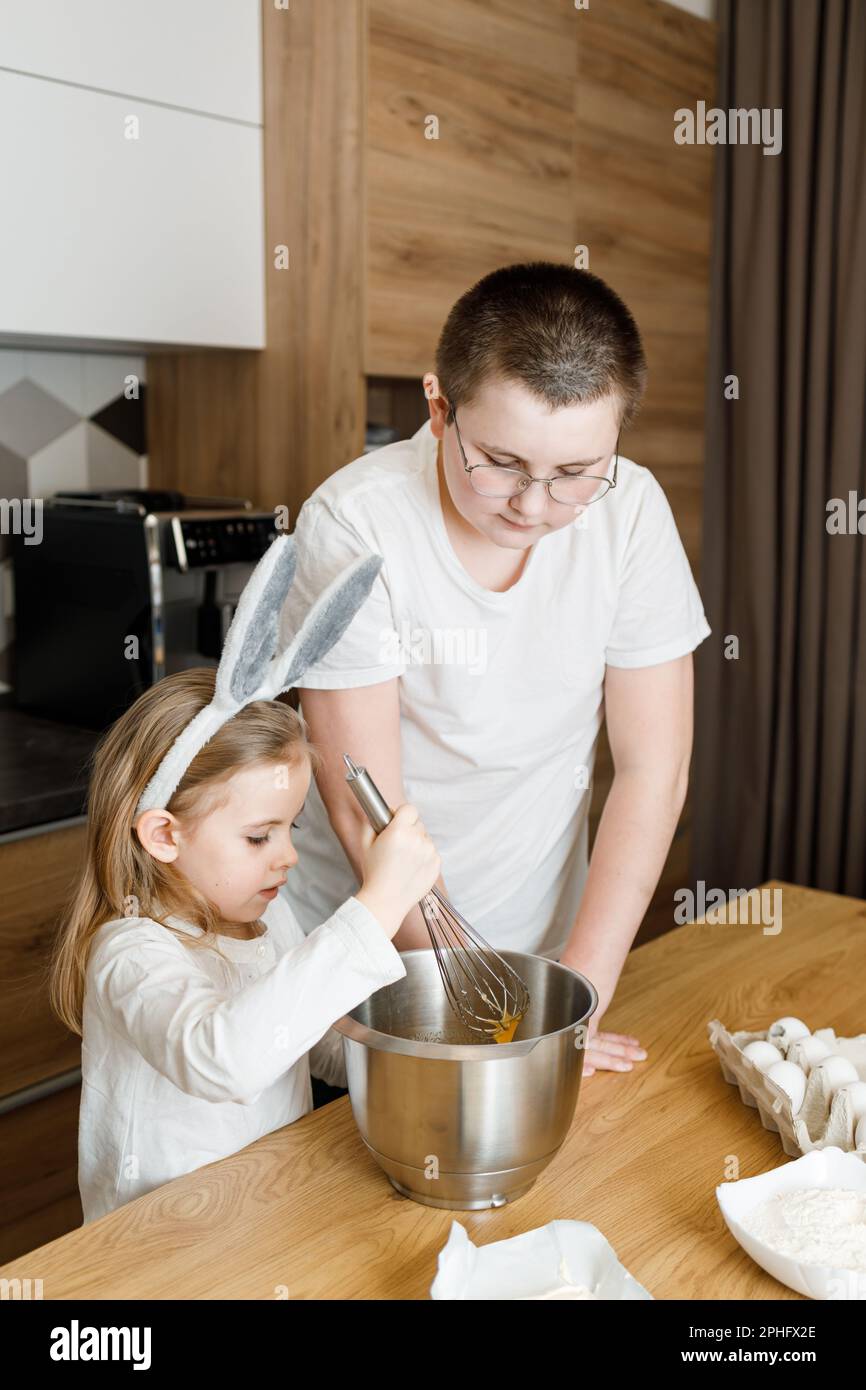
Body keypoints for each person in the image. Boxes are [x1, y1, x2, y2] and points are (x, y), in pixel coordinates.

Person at [279, 262, 711, 1077]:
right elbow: (363, 811)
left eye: (576, 473)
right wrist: (474, 1010)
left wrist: (571, 1001)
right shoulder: (355, 523)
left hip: (536, 958)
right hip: (367, 969)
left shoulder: (631, 512)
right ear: (439, 407)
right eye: (504, 463)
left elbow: (655, 771)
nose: (535, 505)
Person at [50, 538, 439, 1222]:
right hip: (155, 1257)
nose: (285, 856)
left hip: (263, 1212)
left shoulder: (264, 921)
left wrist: (431, 1067)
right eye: (260, 836)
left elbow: (311, 1044)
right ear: (164, 834)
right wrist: (374, 906)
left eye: (291, 828)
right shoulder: (131, 954)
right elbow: (222, 1061)